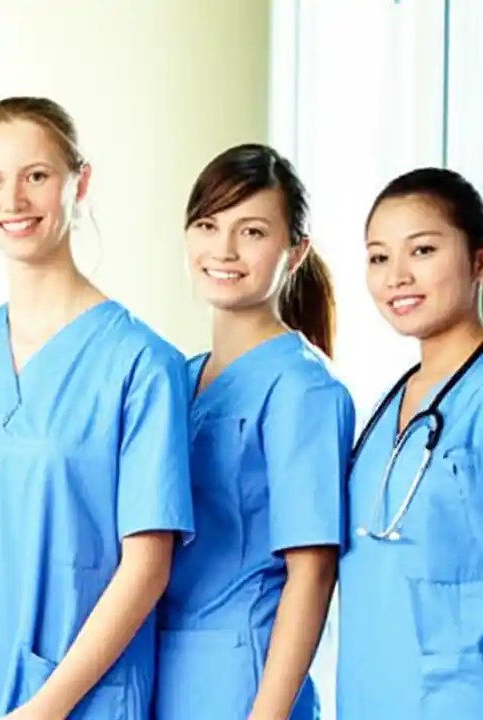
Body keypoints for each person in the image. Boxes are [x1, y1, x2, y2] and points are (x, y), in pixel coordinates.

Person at [0, 96, 194, 720]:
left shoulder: (140, 364)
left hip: (75, 703)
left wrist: (43, 711)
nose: (13, 200)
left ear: (80, 182)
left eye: (36, 176)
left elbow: (147, 564)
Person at [153, 144, 354, 720]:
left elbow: (312, 572)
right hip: (160, 670)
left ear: (296, 251)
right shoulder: (178, 379)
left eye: (252, 232)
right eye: (208, 225)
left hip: (243, 677)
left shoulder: (303, 388)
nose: (224, 249)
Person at [337, 168, 483, 719]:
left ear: (478, 261)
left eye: (422, 250)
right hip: (369, 696)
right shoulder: (387, 407)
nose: (397, 276)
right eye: (378, 257)